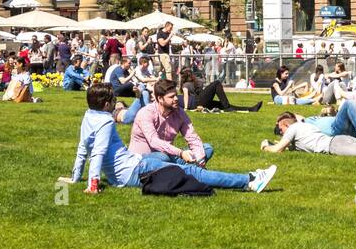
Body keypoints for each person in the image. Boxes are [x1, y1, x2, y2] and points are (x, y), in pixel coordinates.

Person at [63, 83, 276, 194]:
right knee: (192, 173)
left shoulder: (88, 117)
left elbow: (83, 150)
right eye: (114, 101)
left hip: (136, 166)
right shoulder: (108, 121)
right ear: (107, 104)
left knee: (199, 159)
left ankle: (240, 178)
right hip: (136, 168)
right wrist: (93, 184)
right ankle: (248, 180)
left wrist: (75, 178)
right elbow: (98, 152)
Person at [177, 68, 261, 112]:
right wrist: (186, 108)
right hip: (198, 103)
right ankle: (227, 107)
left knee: (222, 105)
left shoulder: (188, 84)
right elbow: (186, 97)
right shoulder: (193, 83)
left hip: (200, 101)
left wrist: (186, 108)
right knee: (217, 84)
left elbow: (186, 96)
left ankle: (251, 109)